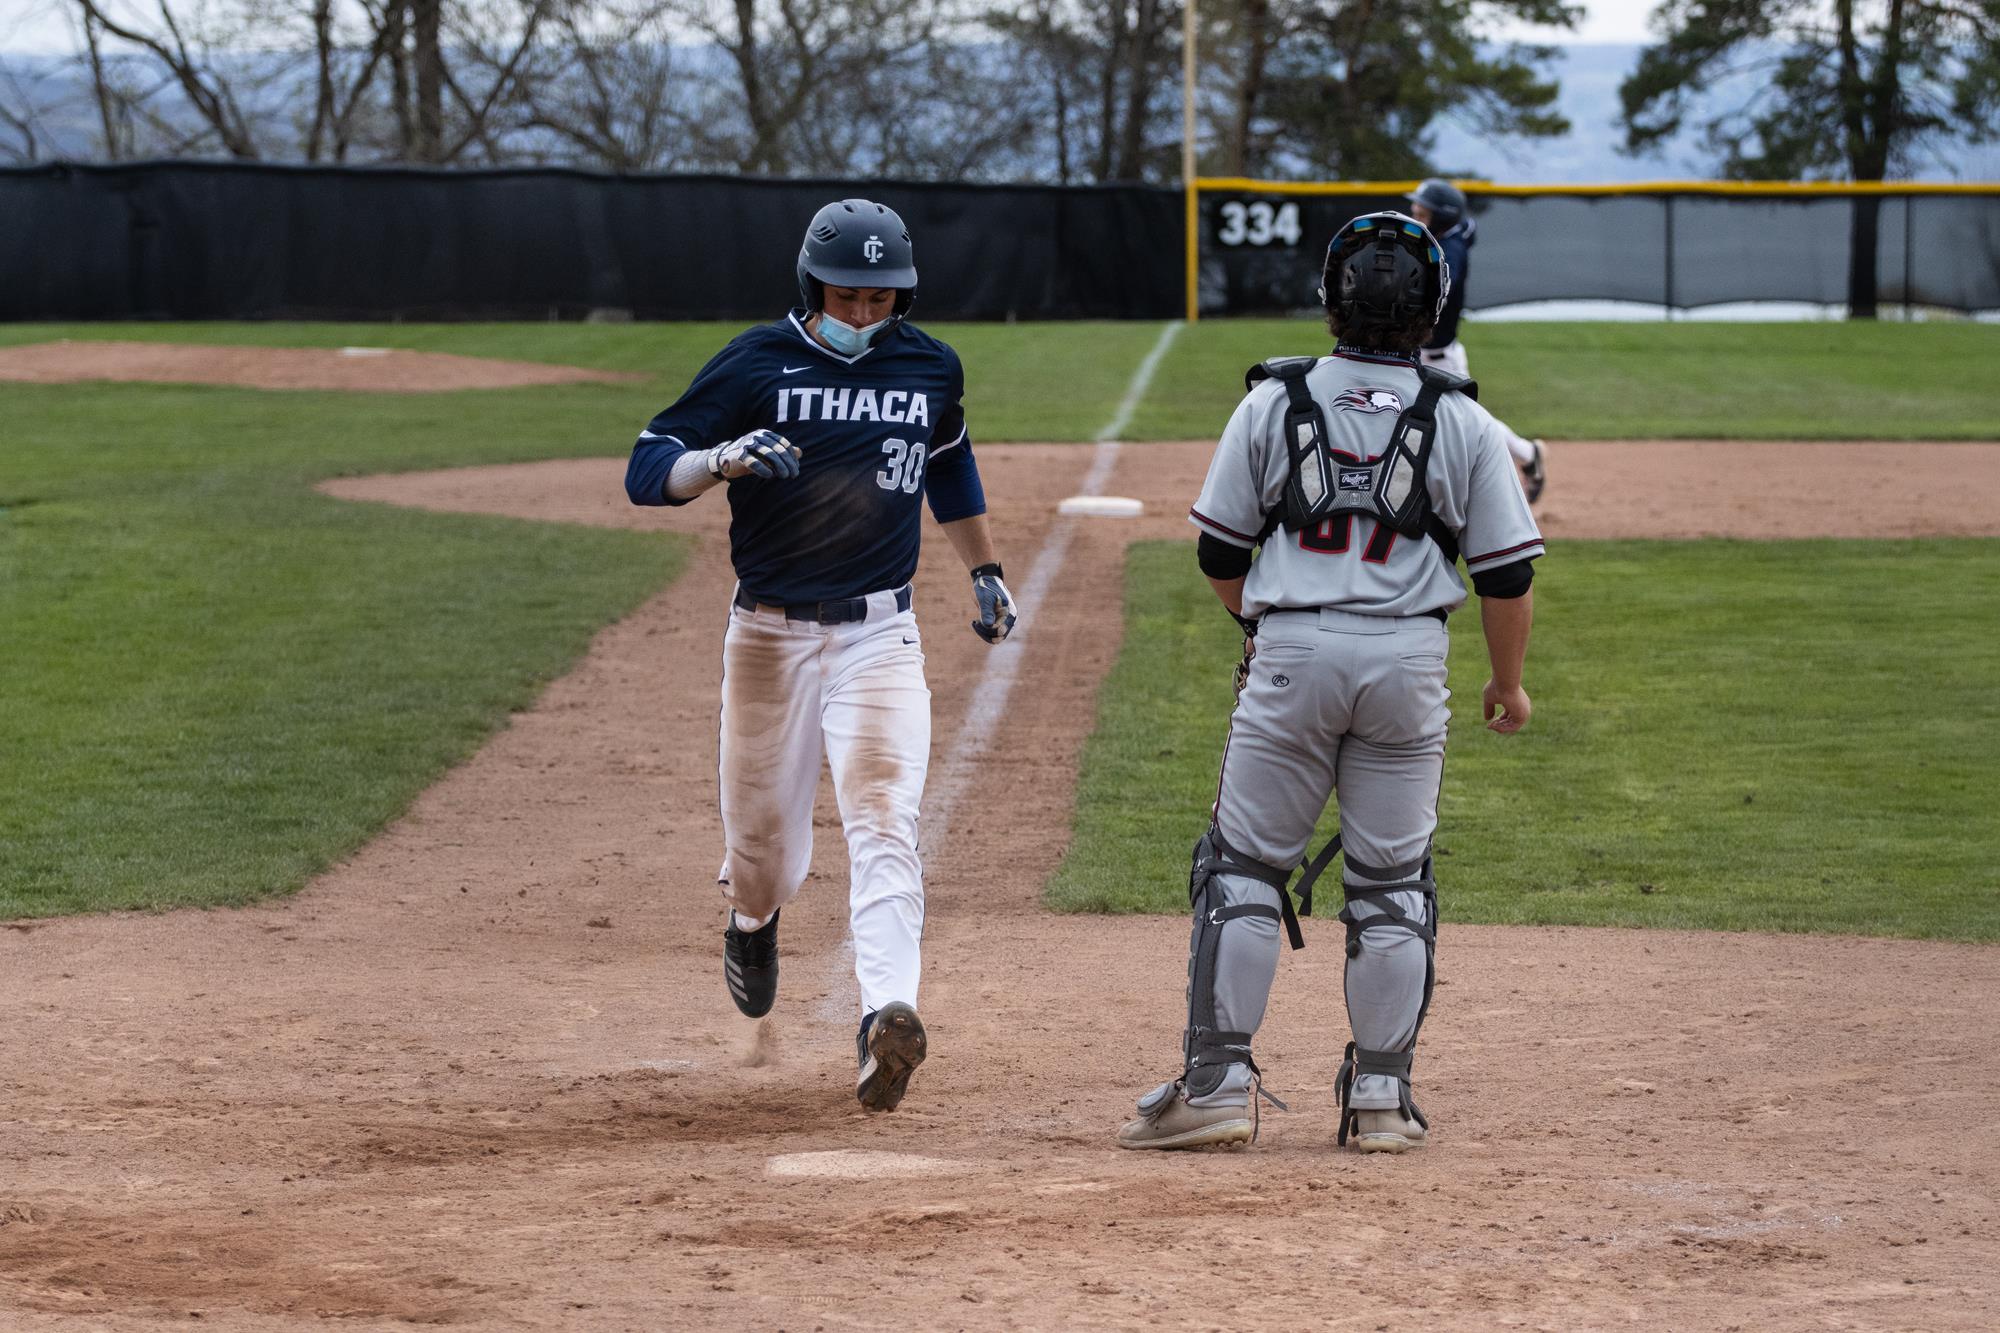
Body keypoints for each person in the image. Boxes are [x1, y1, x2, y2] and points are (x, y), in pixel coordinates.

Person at [1117, 211, 1543, 1153]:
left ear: (1330, 300)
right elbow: (1507, 575)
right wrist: (1508, 684)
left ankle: (1217, 1085)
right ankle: (1382, 1098)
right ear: (1433, 309)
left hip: (1293, 651)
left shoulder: (1273, 402)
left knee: (1242, 868)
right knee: (1392, 882)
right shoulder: (1464, 419)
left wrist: (1265, 629)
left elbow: (1219, 551)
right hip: (1410, 663)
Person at [624, 197, 1018, 1113]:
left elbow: (946, 461)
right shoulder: (756, 361)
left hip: (880, 636)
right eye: (847, 297)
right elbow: (648, 468)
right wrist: (721, 458)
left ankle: (887, 1014)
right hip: (769, 637)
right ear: (812, 287)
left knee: (884, 817)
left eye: (880, 299)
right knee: (763, 853)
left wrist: (985, 568)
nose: (863, 313)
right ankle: (750, 917)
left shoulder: (929, 366)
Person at [1405, 178, 1548, 503]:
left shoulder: (1451, 249)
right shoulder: (1446, 236)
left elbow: (1445, 285)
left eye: (1423, 212)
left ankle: (1527, 455)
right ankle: (1528, 455)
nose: (1415, 215)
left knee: (1472, 424)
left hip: (1438, 358)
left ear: (1442, 217)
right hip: (1423, 352)